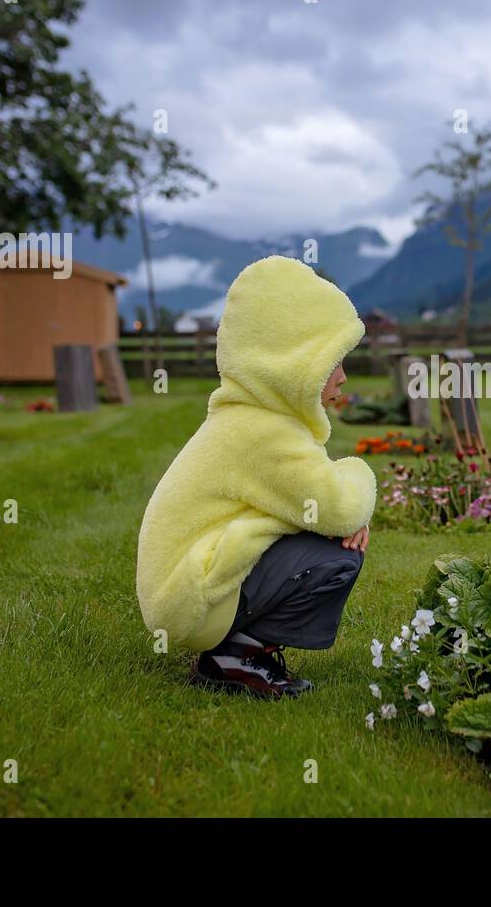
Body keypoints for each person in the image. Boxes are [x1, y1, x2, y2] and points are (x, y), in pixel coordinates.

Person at [136, 255, 376, 698]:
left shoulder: (248, 418)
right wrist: (357, 472)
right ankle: (234, 656)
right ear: (292, 363)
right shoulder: (262, 432)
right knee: (338, 556)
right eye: (333, 362)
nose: (343, 377)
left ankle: (235, 646)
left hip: (185, 587)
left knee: (321, 536)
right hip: (189, 600)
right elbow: (339, 508)